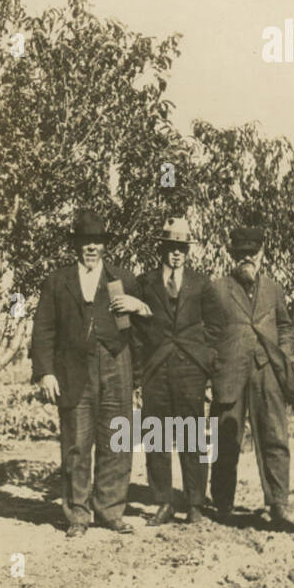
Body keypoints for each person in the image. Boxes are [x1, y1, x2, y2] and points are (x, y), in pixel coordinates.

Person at [30, 208, 149, 537]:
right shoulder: (57, 281)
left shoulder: (121, 278)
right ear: (76, 245)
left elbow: (141, 333)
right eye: (85, 242)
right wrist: (46, 372)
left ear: (104, 245)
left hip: (117, 363)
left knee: (117, 441)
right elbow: (43, 330)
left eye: (96, 241)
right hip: (73, 370)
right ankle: (78, 516)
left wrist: (137, 307)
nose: (91, 248)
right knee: (77, 443)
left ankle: (111, 511)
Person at [205, 226, 294, 531]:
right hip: (228, 374)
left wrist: (284, 357)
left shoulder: (274, 289)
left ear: (262, 254)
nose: (247, 258)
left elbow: (286, 327)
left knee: (274, 436)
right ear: (231, 254)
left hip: (266, 372)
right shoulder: (217, 288)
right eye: (241, 253)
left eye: (253, 252)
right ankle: (222, 504)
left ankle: (278, 503)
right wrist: (211, 373)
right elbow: (204, 334)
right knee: (225, 439)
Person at [133, 217, 219, 526]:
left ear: (188, 251)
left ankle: (195, 503)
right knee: (156, 437)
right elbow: (137, 332)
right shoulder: (145, 282)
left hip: (190, 371)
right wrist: (138, 374)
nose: (176, 254)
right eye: (171, 248)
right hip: (156, 370)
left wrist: (206, 363)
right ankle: (164, 502)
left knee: (192, 437)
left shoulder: (201, 283)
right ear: (163, 249)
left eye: (182, 248)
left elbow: (216, 327)